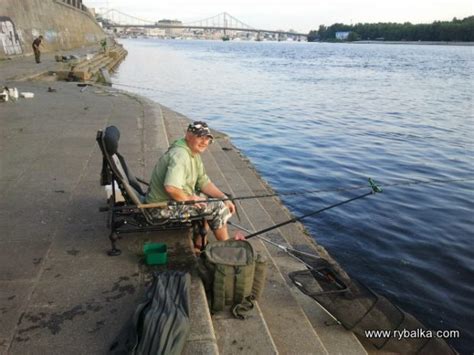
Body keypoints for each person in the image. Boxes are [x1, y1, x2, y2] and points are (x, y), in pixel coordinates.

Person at [145, 121, 244, 249]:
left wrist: (224, 197)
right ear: (188, 135)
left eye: (207, 139)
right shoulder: (180, 155)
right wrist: (189, 198)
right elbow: (171, 187)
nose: (204, 142)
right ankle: (227, 249)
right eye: (200, 137)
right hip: (159, 208)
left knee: (212, 198)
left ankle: (199, 242)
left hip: (171, 200)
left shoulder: (193, 153)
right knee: (217, 208)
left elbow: (203, 182)